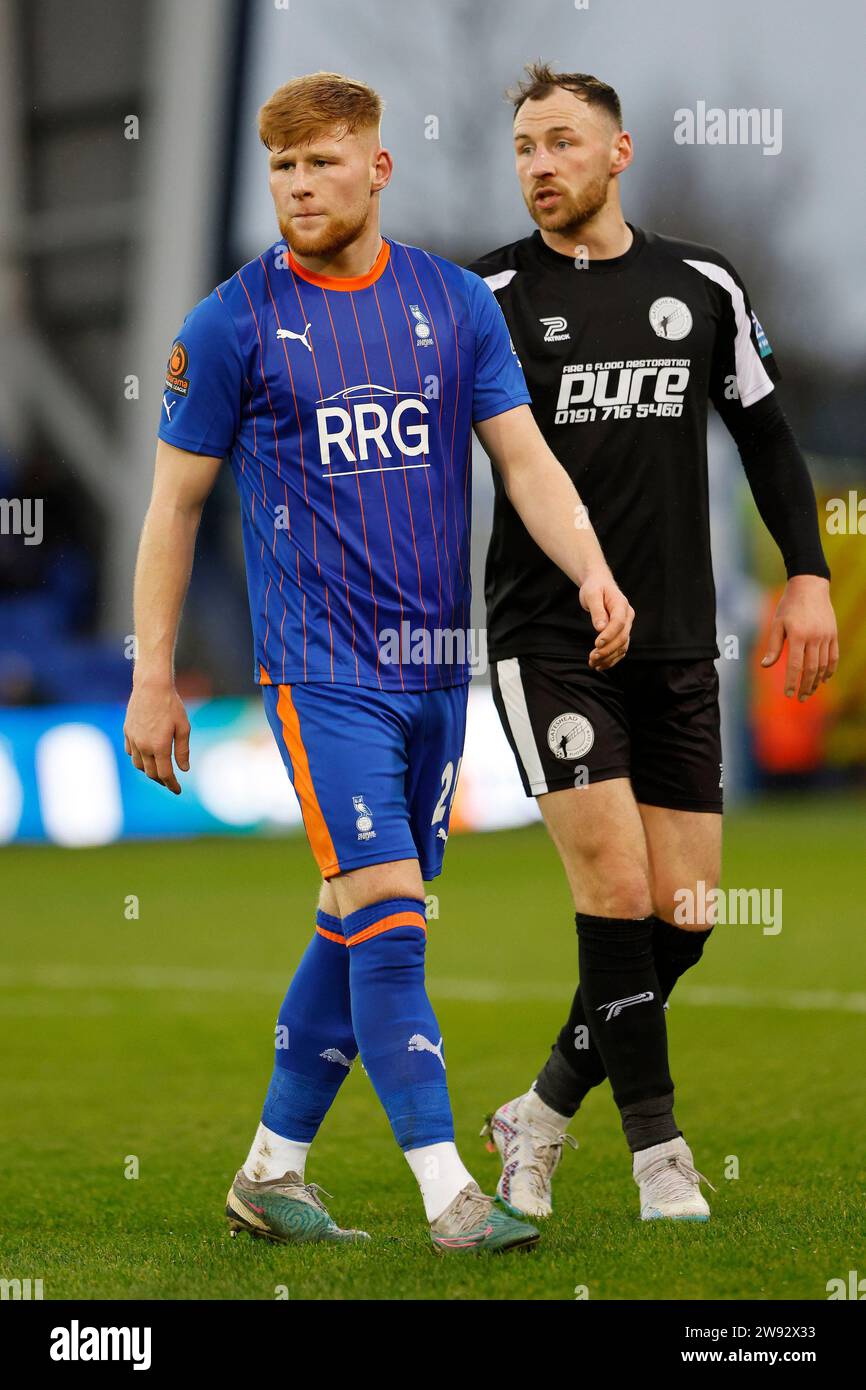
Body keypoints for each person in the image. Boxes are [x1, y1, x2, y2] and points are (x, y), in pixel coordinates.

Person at [123, 70, 633, 1252]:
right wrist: (153, 673)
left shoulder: (454, 305)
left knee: (355, 921)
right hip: (320, 676)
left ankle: (270, 1171)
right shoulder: (230, 322)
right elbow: (171, 509)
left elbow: (524, 464)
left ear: (376, 168)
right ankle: (451, 1192)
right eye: (282, 169)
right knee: (390, 919)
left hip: (431, 680)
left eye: (321, 163)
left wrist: (592, 570)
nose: (299, 187)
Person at [469, 63, 837, 1222]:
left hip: (681, 641)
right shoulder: (485, 297)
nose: (539, 165)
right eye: (523, 145)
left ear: (615, 155)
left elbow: (769, 443)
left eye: (562, 143)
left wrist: (809, 578)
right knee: (615, 888)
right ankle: (656, 1156)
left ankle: (535, 1111)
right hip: (549, 638)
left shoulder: (702, 285)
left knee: (681, 918)